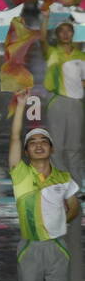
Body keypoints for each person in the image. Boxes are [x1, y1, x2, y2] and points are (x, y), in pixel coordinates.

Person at [8, 93, 78, 281]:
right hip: (30, 249)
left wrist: (60, 221)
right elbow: (13, 140)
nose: (38, 146)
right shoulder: (20, 174)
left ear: (51, 148)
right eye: (32, 144)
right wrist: (22, 105)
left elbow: (74, 209)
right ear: (26, 152)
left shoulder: (64, 179)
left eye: (43, 142)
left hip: (57, 249)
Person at [38, 19, 85, 183]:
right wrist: (45, 17)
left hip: (76, 104)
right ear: (57, 35)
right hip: (56, 101)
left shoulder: (81, 56)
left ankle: (77, 185)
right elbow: (42, 39)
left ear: (73, 33)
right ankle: (61, 184)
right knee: (57, 145)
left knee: (75, 147)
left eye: (69, 30)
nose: (65, 34)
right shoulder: (51, 53)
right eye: (61, 31)